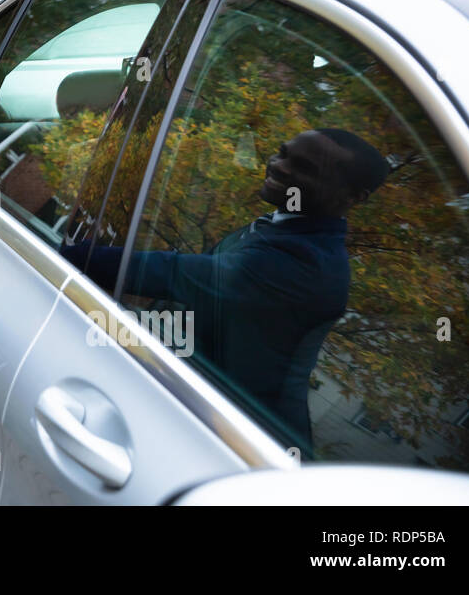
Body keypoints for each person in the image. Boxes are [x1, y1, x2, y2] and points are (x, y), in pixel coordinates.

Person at [63, 128, 391, 457]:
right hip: (192, 410)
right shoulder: (289, 226)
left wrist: (63, 251)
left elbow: (171, 273)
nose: (279, 166)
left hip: (238, 446)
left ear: (353, 197)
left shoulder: (306, 267)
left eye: (305, 167)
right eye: (282, 153)